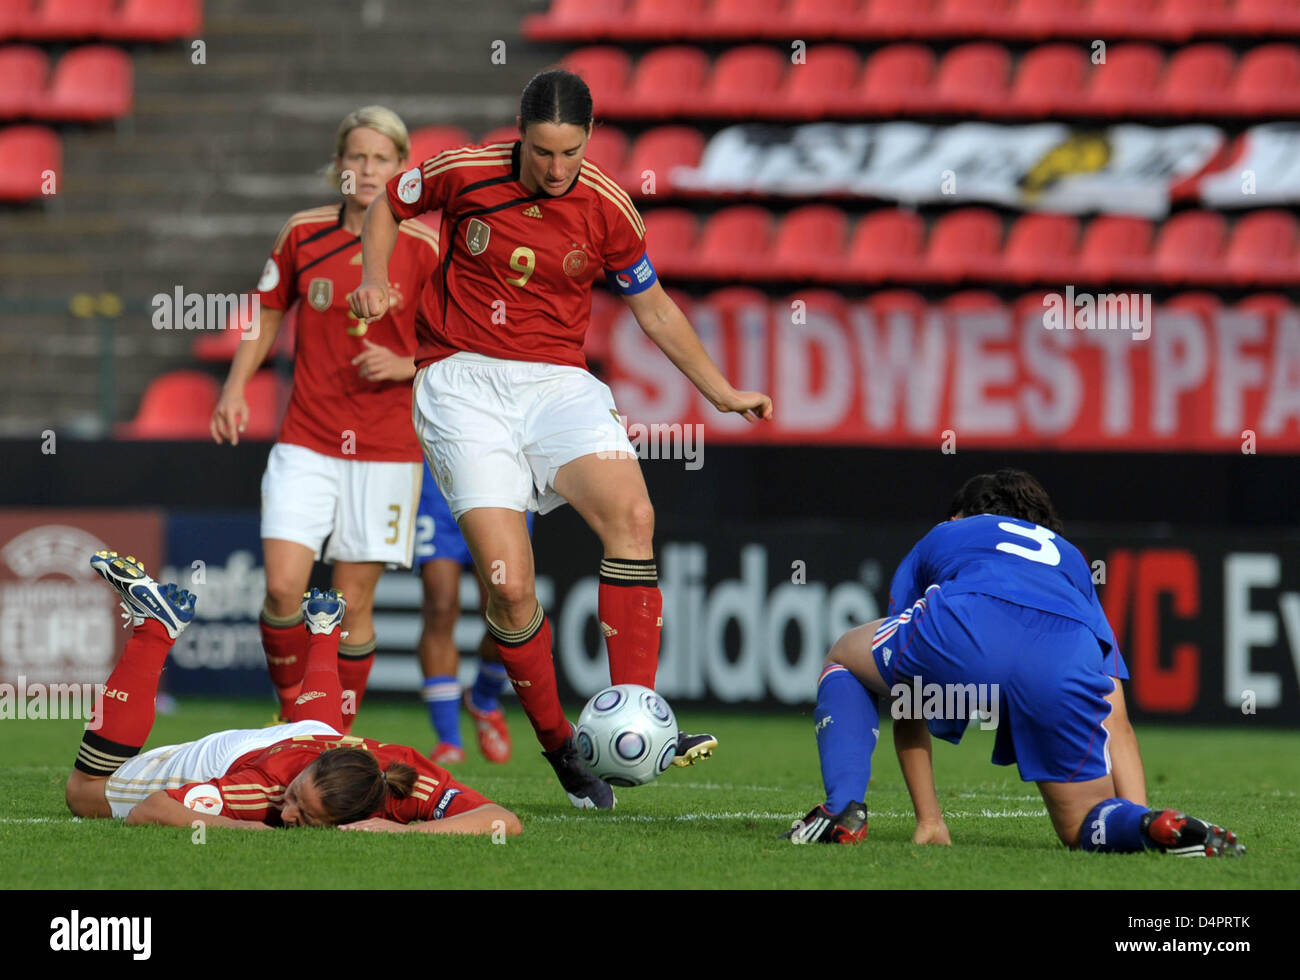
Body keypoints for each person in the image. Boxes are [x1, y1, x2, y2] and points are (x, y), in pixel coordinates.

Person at [349, 69, 773, 810]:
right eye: (543, 152)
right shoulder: (465, 172)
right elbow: (388, 202)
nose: (555, 168)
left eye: (570, 153)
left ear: (588, 141)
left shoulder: (607, 207)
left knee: (633, 519)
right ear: (520, 136)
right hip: (460, 380)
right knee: (510, 590)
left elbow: (658, 311)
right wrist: (376, 276)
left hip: (557, 384)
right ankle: (563, 751)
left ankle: (635, 715)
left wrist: (721, 391)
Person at [788, 469, 1245, 857]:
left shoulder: (946, 533)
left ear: (958, 514)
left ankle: (843, 807)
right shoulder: (1070, 559)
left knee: (844, 658)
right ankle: (1149, 827)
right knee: (1083, 824)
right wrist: (1138, 809)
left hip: (967, 628)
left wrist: (930, 819)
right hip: (1065, 657)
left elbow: (908, 696)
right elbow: (1116, 719)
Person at [210, 105, 440, 733]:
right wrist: (235, 388)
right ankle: (293, 727)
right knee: (285, 590)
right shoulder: (302, 233)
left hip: (387, 449)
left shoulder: (424, 248)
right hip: (306, 440)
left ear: (401, 168)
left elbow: (460, 341)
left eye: (382, 159)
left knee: (347, 604)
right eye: (357, 158)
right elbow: (266, 312)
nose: (368, 170)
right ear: (338, 166)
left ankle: (332, 739)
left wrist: (406, 362)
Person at [66, 550, 520, 836]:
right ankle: (154, 633)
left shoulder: (400, 772)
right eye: (296, 801)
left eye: (303, 814)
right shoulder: (264, 790)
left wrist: (401, 832)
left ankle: (324, 631)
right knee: (83, 793)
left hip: (312, 735)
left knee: (322, 728)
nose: (286, 814)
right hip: (235, 758)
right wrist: (252, 834)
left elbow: (504, 821)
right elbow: (153, 810)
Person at [414, 457, 533, 765]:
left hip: (500, 480)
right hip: (437, 481)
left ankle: (482, 696)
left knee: (505, 610)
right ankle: (449, 739)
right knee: (439, 607)